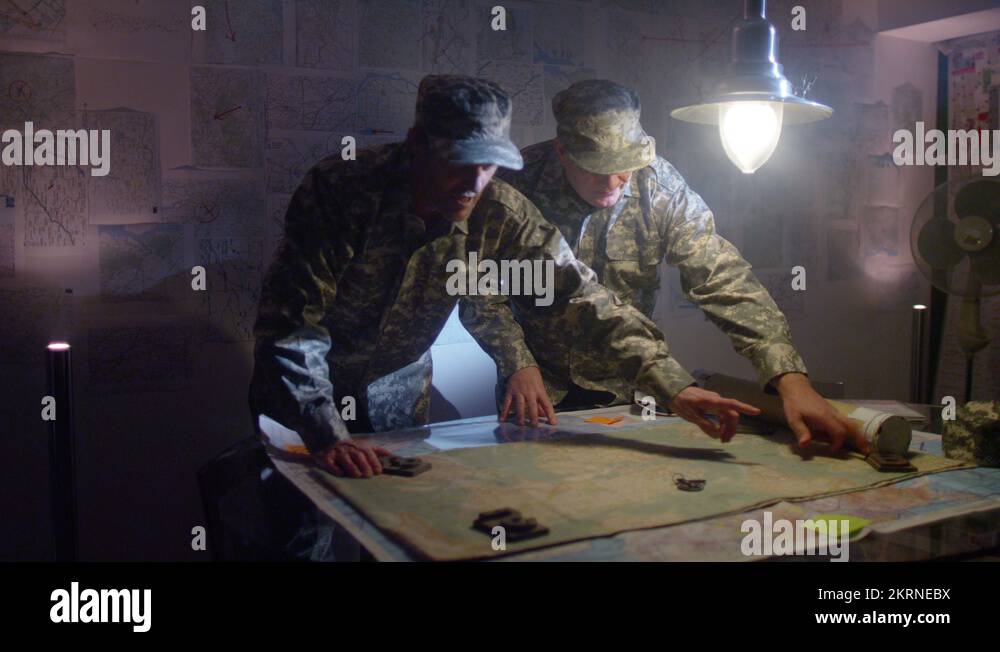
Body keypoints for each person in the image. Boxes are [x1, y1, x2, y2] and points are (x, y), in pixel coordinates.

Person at [249, 74, 762, 487]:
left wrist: (674, 387)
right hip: (300, 397)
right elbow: (294, 325)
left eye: (491, 165)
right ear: (416, 146)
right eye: (459, 162)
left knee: (398, 532)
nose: (474, 184)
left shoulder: (501, 210)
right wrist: (325, 431)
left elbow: (580, 297)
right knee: (296, 540)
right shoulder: (342, 190)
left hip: (398, 396)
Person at [460, 79, 867, 454]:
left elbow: (720, 276)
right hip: (537, 389)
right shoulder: (515, 188)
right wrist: (517, 362)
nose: (612, 182)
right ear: (562, 151)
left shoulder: (660, 188)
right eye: (595, 169)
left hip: (634, 387)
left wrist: (788, 378)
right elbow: (481, 288)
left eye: (624, 167)